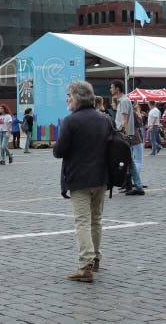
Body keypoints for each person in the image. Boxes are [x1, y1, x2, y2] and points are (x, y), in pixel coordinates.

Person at [53, 80, 110, 283]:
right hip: (101, 178)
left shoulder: (71, 121)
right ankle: (95, 259)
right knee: (96, 220)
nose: (67, 99)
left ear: (77, 97)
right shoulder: (104, 119)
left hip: (79, 178)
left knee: (83, 222)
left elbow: (58, 151)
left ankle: (85, 265)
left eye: (69, 95)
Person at [110, 80, 143, 195]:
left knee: (129, 160)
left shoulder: (124, 101)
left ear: (117, 89)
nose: (110, 89)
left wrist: (123, 135)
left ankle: (137, 186)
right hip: (125, 134)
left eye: (112, 87)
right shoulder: (123, 100)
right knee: (128, 161)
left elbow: (125, 120)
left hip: (124, 134)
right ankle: (132, 185)